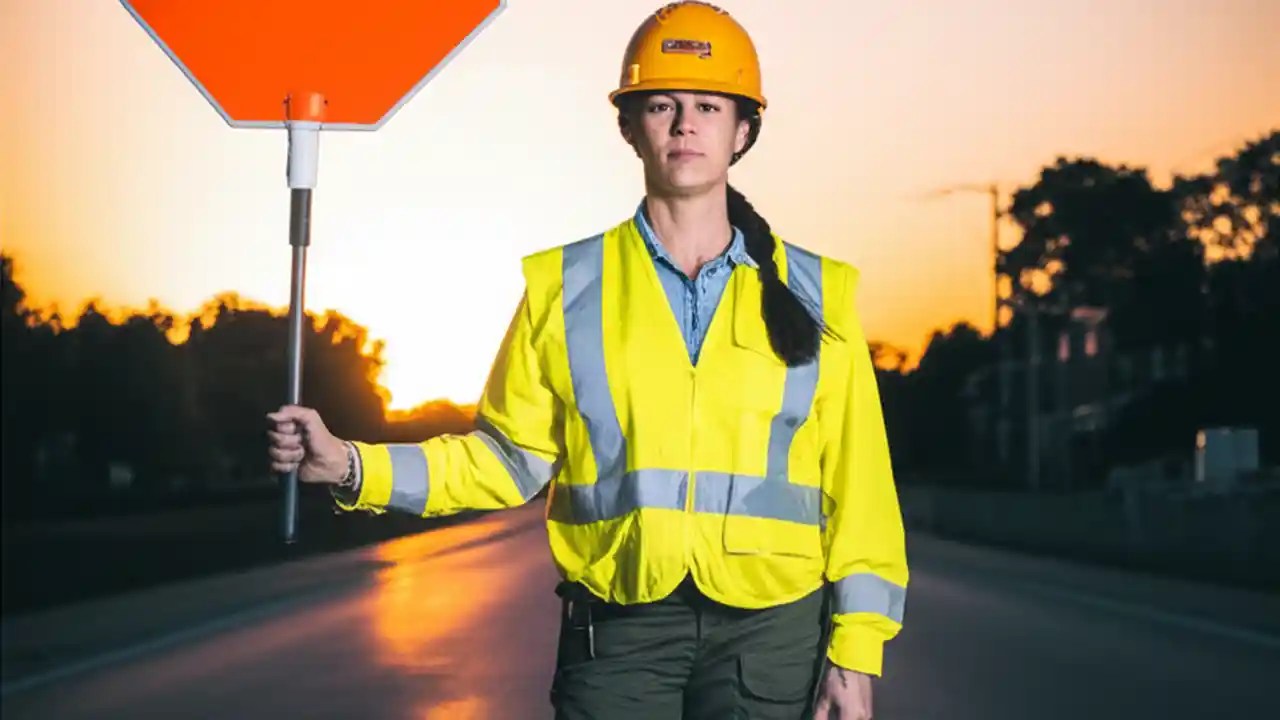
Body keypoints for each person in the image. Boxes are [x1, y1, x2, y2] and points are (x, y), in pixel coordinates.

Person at [266, 2, 908, 717]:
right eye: (661, 105)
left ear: (744, 129)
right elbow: (504, 462)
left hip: (773, 634)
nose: (685, 124)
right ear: (630, 127)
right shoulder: (566, 287)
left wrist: (856, 653)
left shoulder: (819, 293)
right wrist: (354, 465)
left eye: (707, 106)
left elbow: (861, 491)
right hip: (618, 633)